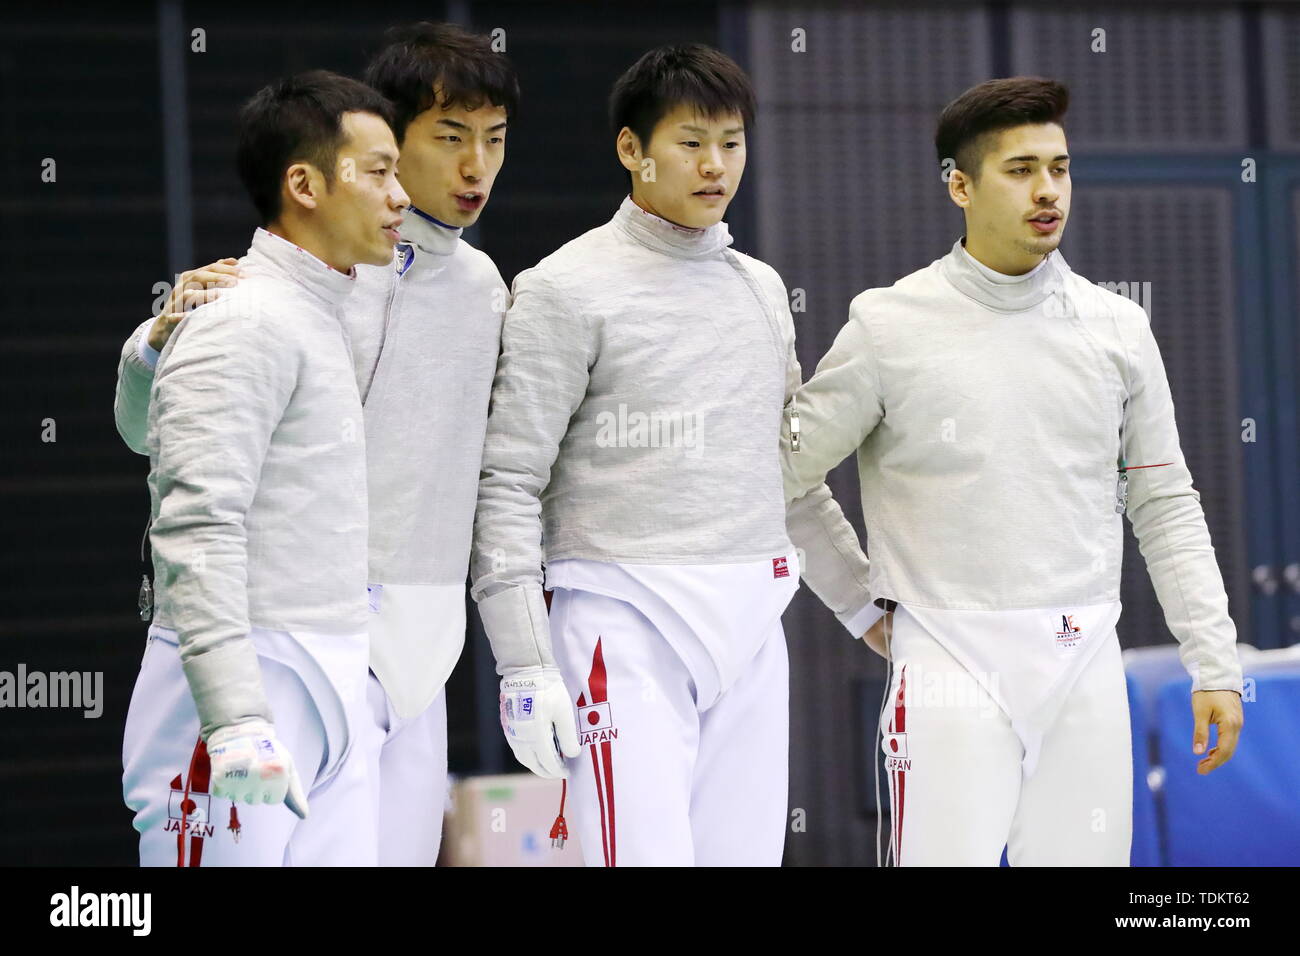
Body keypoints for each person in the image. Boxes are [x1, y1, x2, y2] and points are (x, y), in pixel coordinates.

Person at [780, 76, 1245, 866]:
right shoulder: (889, 325)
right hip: (946, 666)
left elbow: (1165, 500)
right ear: (960, 185)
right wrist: (864, 607)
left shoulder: (1118, 328)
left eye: (1059, 168)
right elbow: (781, 476)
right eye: (1020, 169)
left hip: (1086, 660)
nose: (1047, 190)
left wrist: (1215, 661)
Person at [114, 22, 517, 866]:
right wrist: (162, 338)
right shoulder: (264, 300)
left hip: (388, 651)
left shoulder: (473, 290)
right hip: (277, 646)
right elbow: (191, 506)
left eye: (494, 138)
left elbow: (504, 475)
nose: (473, 165)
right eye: (445, 141)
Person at [470, 43, 882, 867]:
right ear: (633, 149)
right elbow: (507, 481)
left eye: (731, 143)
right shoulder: (564, 288)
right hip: (624, 624)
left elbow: (790, 476)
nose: (714, 165)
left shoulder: (759, 289)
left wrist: (868, 607)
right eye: (691, 142)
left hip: (754, 627)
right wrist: (522, 661)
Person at [120, 70, 410, 866]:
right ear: (304, 183)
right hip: (241, 686)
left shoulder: (322, 310)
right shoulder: (243, 318)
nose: (399, 196)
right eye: (379, 171)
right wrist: (235, 715)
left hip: (334, 678)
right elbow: (195, 522)